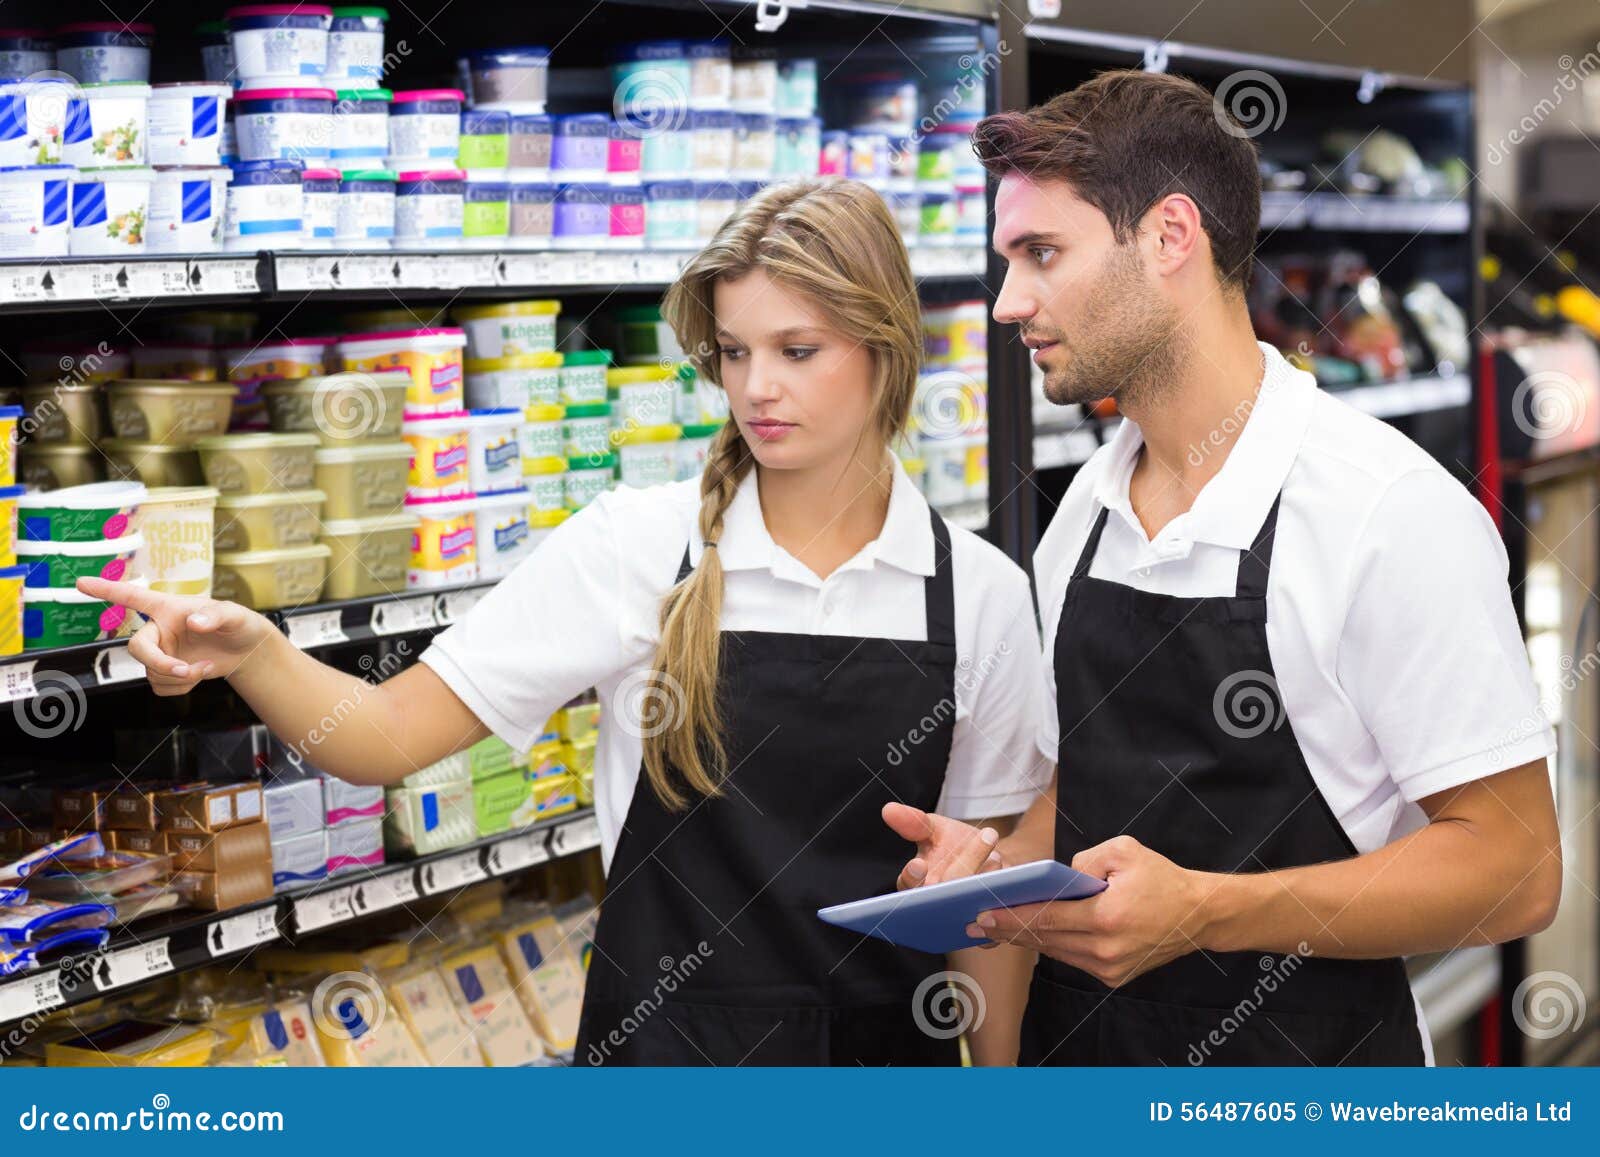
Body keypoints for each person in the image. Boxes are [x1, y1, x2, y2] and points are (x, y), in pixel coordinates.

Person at [83, 178, 1044, 1067]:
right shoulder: (632, 547)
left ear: (888, 348)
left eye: (798, 351)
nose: (755, 388)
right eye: (735, 352)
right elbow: (384, 735)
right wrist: (256, 647)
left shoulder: (981, 595)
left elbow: (982, 914)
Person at [884, 70, 1561, 1066]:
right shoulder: (1085, 510)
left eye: (1039, 254)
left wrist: (1205, 910)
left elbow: (1515, 866)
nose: (1006, 303)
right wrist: (990, 874)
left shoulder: (1382, 512)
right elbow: (1084, 787)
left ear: (1168, 237)